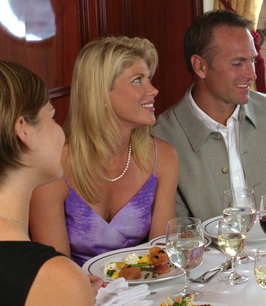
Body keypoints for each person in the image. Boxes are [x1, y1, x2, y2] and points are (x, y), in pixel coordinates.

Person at [152, 9, 266, 220]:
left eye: (252, 61)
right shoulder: (161, 137)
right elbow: (176, 230)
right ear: (200, 67)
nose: (251, 74)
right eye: (237, 63)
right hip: (209, 252)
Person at [0, 60, 94, 304]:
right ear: (23, 130)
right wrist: (68, 289)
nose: (61, 130)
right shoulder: (56, 278)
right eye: (52, 116)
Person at [30, 37, 179, 266]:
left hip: (145, 292)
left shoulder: (164, 158)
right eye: (137, 80)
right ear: (99, 93)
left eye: (149, 78)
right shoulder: (53, 166)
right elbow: (55, 269)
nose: (153, 90)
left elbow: (163, 258)